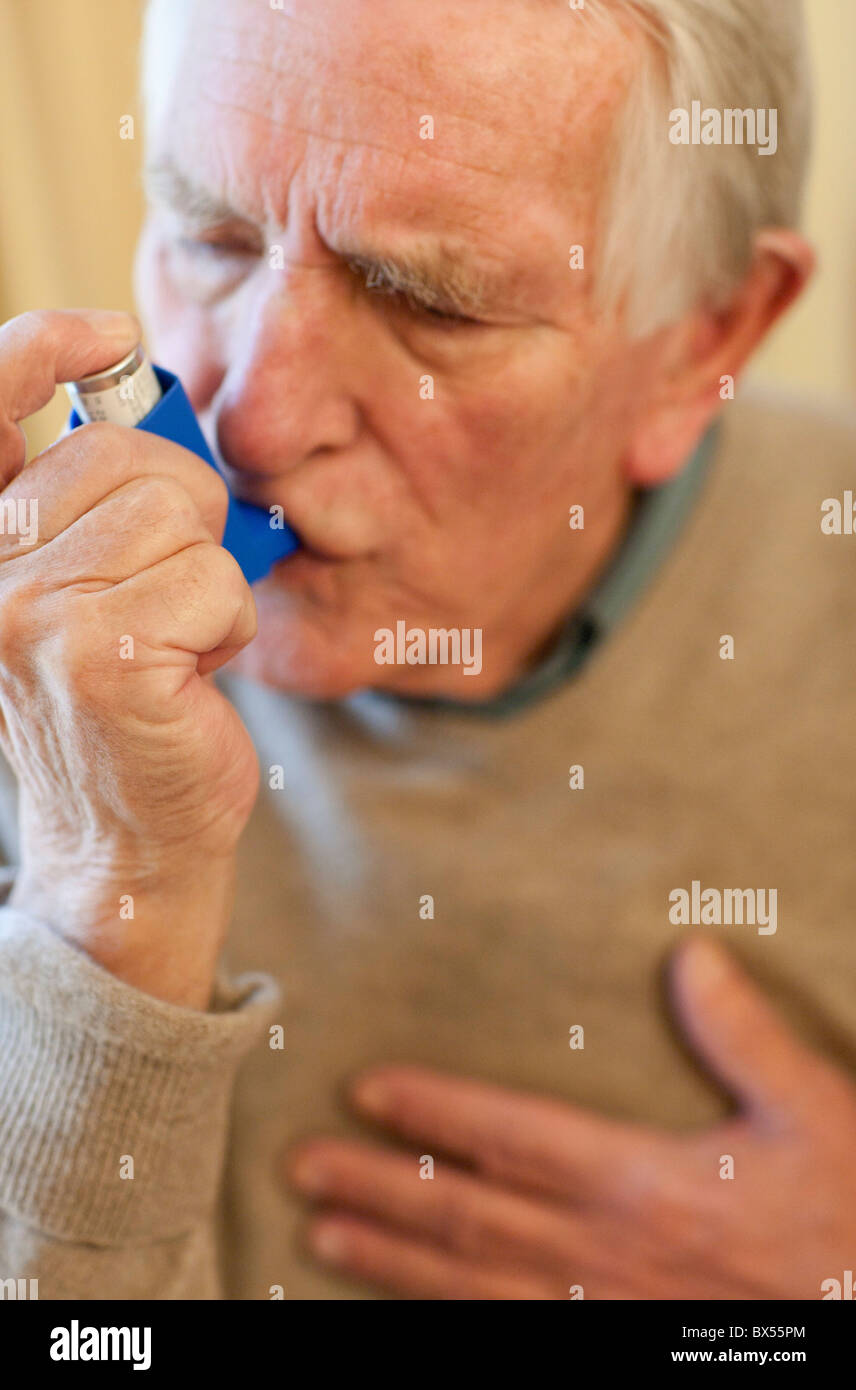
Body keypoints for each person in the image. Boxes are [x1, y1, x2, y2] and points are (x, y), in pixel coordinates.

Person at [0, 0, 854, 1300]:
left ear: (710, 339)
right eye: (212, 235)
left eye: (427, 301)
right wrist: (100, 888)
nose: (257, 421)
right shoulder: (32, 659)